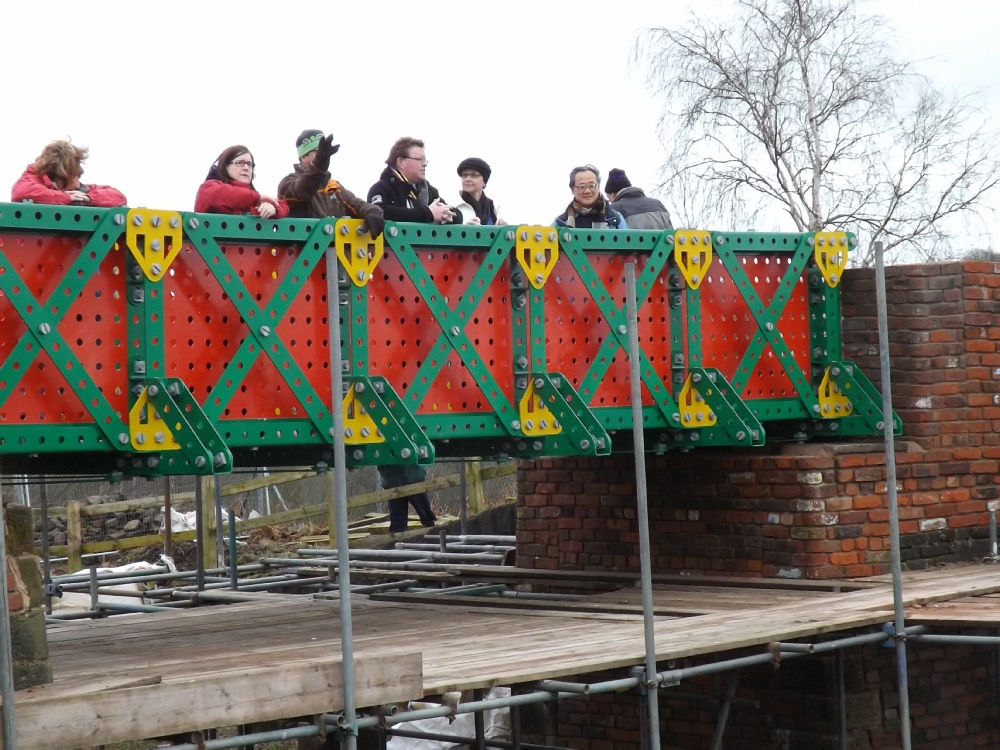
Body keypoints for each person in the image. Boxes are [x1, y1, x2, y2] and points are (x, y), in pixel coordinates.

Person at [277, 129, 385, 237]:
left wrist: (372, 211)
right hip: (303, 252)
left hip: (334, 252)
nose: (323, 155)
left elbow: (356, 204)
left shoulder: (334, 187)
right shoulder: (287, 183)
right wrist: (320, 162)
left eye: (324, 151)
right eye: (318, 151)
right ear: (303, 157)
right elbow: (303, 191)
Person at [368, 137, 461, 224]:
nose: (425, 164)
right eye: (420, 159)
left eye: (425, 160)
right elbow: (381, 212)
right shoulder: (381, 188)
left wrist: (447, 214)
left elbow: (458, 215)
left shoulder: (428, 191)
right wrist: (427, 214)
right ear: (401, 162)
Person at [11, 140, 126, 207]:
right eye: (76, 175)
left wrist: (89, 198)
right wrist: (65, 197)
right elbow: (21, 191)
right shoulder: (33, 179)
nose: (78, 185)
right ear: (64, 174)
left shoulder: (82, 192)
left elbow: (118, 196)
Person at [195, 145, 289, 218]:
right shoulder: (209, 188)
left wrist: (274, 210)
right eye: (240, 163)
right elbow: (215, 196)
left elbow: (282, 204)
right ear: (225, 166)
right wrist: (257, 197)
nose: (246, 168)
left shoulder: (254, 198)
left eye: (249, 164)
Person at [554, 165, 627, 229]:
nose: (587, 191)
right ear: (572, 190)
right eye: (582, 187)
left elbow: (627, 244)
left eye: (591, 186)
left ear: (598, 187)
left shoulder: (616, 219)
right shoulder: (560, 223)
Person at [605, 168, 673, 230]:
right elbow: (671, 236)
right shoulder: (659, 205)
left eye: (608, 198)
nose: (610, 202)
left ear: (613, 194)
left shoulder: (613, 210)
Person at [379, 464, 437, 535]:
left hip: (411, 479)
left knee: (425, 514)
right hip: (394, 481)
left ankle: (433, 533)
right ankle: (398, 540)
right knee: (398, 521)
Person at [454, 157, 506, 226]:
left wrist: (504, 230)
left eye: (474, 175)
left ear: (484, 181)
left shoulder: (494, 207)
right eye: (464, 175)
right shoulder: (453, 207)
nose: (468, 179)